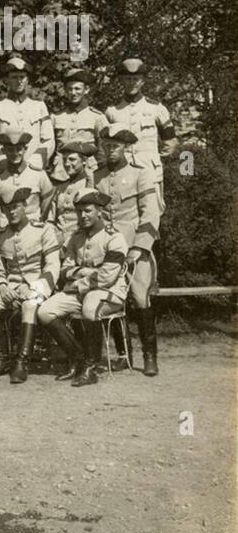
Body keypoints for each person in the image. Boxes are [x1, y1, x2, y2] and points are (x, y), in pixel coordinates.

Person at [36, 189, 129, 388]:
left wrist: (80, 280)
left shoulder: (114, 237)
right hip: (81, 292)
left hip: (111, 293)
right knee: (44, 311)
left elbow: (107, 276)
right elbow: (65, 271)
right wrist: (85, 273)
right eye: (79, 212)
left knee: (90, 307)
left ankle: (91, 367)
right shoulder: (75, 238)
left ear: (99, 212)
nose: (82, 216)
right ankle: (77, 359)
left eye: (87, 211)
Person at [95, 123, 165, 377]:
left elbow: (150, 213)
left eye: (116, 146)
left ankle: (150, 356)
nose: (111, 150)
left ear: (125, 147)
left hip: (135, 246)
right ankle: (123, 355)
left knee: (140, 299)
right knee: (113, 299)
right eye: (107, 146)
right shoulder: (97, 176)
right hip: (108, 250)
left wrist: (139, 247)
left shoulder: (141, 173)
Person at [0, 184, 62, 384]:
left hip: (38, 286)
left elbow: (53, 266)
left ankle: (21, 362)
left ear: (25, 205)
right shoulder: (0, 236)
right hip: (11, 286)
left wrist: (33, 287)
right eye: (7, 208)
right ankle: (2, 360)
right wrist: (2, 286)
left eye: (16, 206)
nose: (12, 211)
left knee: (29, 305)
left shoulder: (43, 230)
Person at [104, 57, 176, 205]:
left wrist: (152, 159)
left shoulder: (157, 109)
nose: (132, 83)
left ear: (143, 81)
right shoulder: (112, 112)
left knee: (151, 215)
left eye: (136, 79)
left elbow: (171, 143)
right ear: (121, 81)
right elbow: (105, 145)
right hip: (121, 172)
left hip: (149, 171)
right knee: (123, 214)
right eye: (127, 79)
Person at [0, 56, 53, 173]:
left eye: (22, 77)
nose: (19, 81)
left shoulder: (39, 106)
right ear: (7, 80)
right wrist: (4, 162)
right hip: (4, 171)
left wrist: (34, 163)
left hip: (34, 170)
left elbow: (48, 139)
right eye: (14, 77)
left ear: (27, 80)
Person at [50, 68, 107, 183]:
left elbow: (103, 148)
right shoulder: (56, 117)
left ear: (86, 90)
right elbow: (51, 147)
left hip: (88, 173)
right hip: (60, 173)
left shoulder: (97, 117)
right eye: (69, 89)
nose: (73, 93)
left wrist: (101, 172)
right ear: (65, 90)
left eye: (77, 88)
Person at [0, 128, 55, 224]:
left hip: (33, 228)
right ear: (3, 151)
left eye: (19, 149)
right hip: (7, 229)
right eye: (10, 150)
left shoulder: (39, 175)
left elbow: (47, 203)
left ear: (25, 149)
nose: (15, 153)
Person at [50, 140, 97, 245]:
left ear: (84, 160)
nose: (67, 164)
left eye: (72, 159)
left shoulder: (90, 184)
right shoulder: (60, 187)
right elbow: (51, 217)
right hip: (56, 241)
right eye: (64, 159)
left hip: (80, 242)